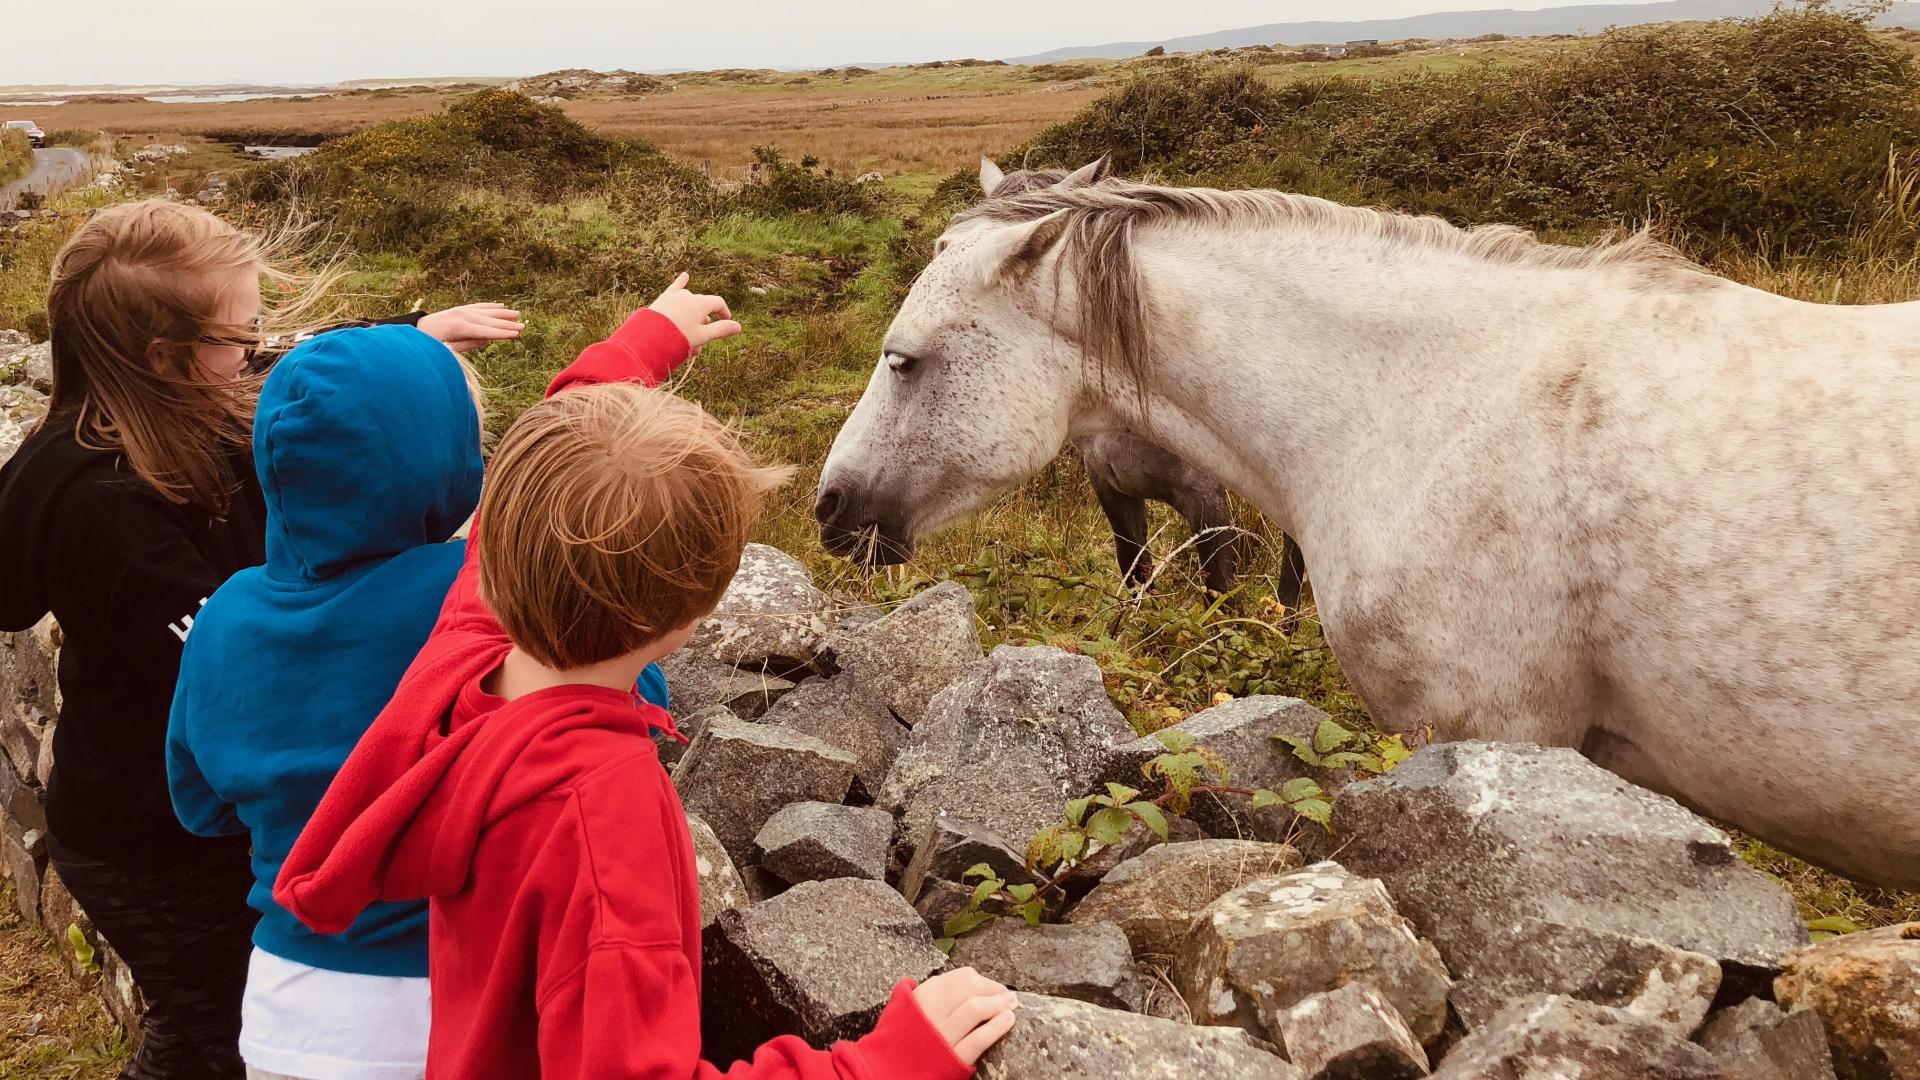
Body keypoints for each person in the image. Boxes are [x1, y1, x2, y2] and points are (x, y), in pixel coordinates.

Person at [273, 299, 1020, 1078]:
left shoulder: (460, 659)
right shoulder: (604, 819)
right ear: (697, 613)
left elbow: (543, 454)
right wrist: (883, 1064)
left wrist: (640, 347)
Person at [0, 199, 522, 1080]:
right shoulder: (105, 508)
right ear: (167, 357)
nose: (257, 352)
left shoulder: (168, 405)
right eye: (242, 336)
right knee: (204, 1040)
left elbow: (298, 391)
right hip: (151, 839)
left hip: (182, 810)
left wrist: (407, 337)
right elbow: (262, 665)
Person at [163, 278, 707, 1080]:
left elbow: (201, 806)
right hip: (446, 1002)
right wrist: (645, 343)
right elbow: (561, 470)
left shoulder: (226, 618)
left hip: (289, 1008)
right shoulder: (464, 594)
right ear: (447, 464)